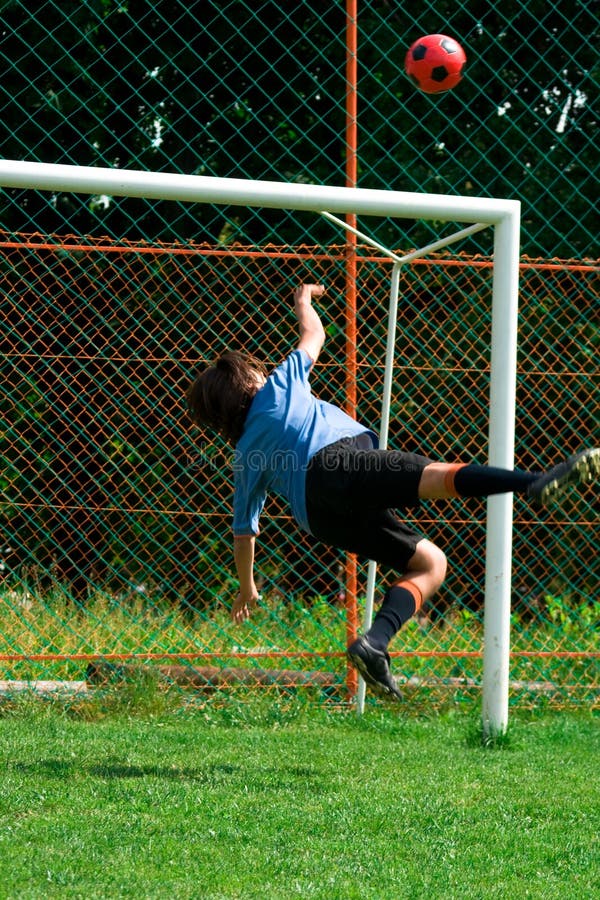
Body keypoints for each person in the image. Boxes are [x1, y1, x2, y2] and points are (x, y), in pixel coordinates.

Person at [186, 283, 600, 700]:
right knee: (438, 477)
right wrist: (302, 302)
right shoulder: (277, 386)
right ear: (248, 380)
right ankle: (536, 482)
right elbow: (315, 336)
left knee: (430, 563)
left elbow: (244, 532)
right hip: (338, 464)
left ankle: (374, 644)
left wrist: (248, 586)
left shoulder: (244, 456)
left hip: (321, 518)